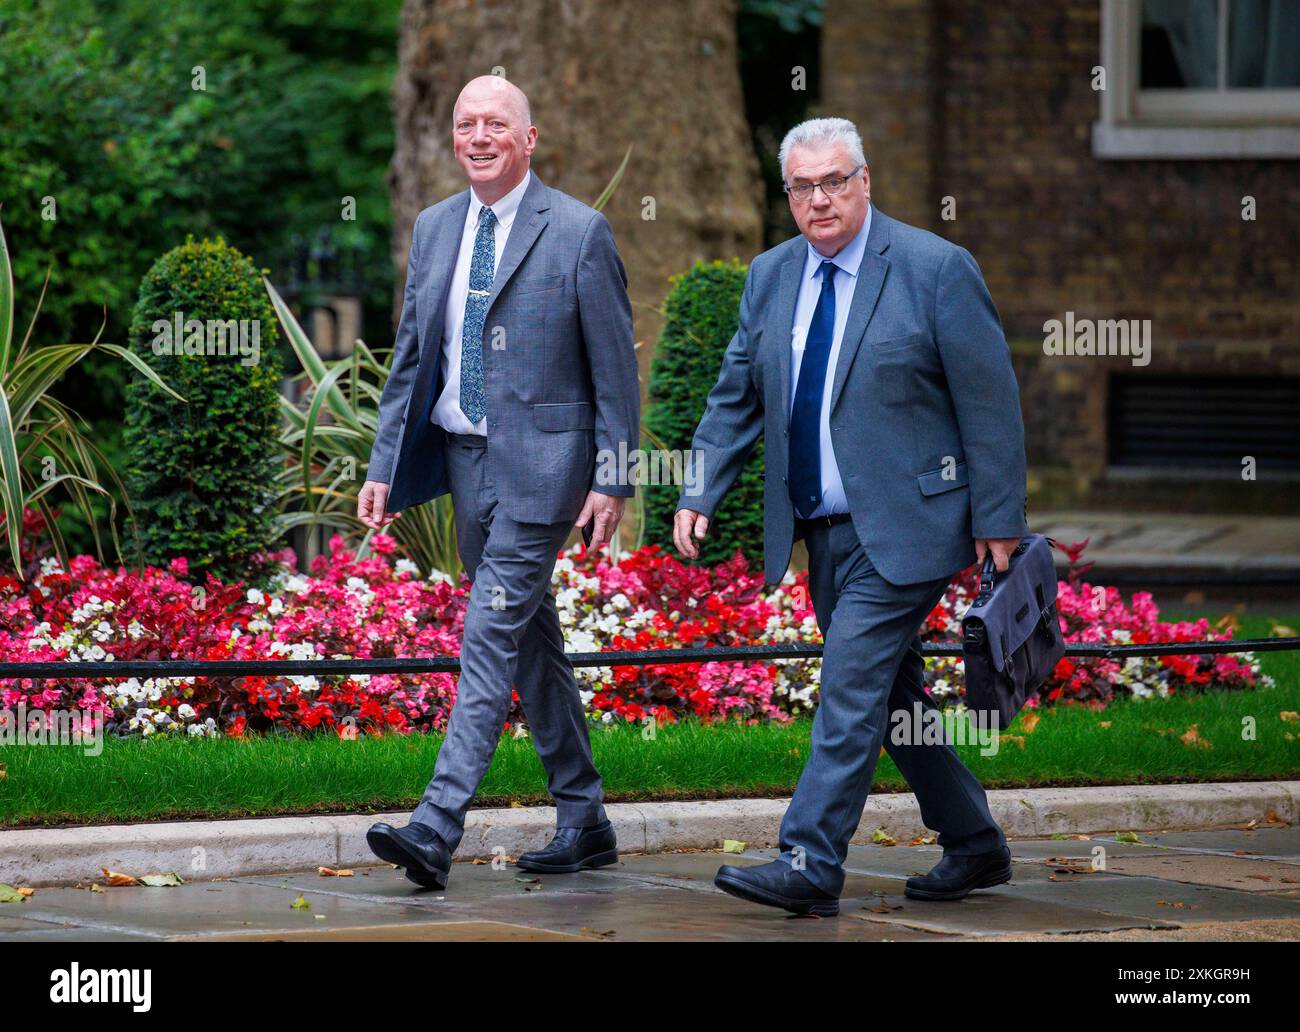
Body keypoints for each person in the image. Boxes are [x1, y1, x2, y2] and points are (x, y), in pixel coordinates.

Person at [675, 117, 1028, 916]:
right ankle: (974, 842)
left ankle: (809, 860)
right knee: (894, 697)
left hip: (912, 525)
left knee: (849, 685)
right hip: (823, 531)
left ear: (864, 180)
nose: (819, 199)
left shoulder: (936, 269)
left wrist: (999, 514)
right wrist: (699, 490)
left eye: (834, 181)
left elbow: (991, 403)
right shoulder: (770, 276)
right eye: (802, 187)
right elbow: (736, 398)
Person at [358, 75, 639, 890]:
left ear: (529, 138)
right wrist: (383, 466)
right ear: (454, 139)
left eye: (496, 124)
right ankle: (583, 817)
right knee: (530, 644)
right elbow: (412, 356)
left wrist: (612, 479)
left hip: (544, 472)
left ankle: (436, 826)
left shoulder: (579, 232)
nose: (480, 137)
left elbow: (616, 373)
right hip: (461, 462)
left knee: (488, 636)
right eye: (466, 124)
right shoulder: (437, 226)